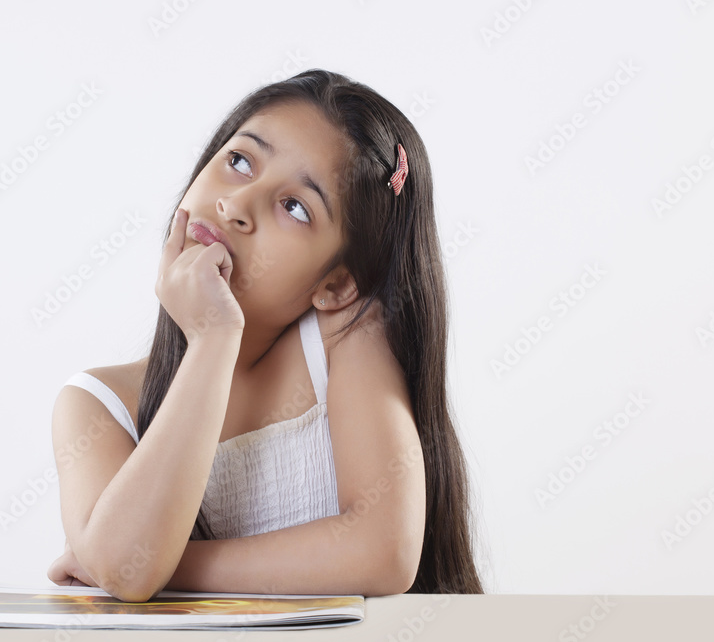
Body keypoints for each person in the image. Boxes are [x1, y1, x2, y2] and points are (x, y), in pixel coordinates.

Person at [46, 69, 484, 601]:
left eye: (295, 206)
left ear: (337, 284)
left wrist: (160, 567)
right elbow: (126, 569)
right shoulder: (96, 405)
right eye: (239, 161)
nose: (236, 206)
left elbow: (384, 551)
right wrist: (211, 342)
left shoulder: (344, 342)